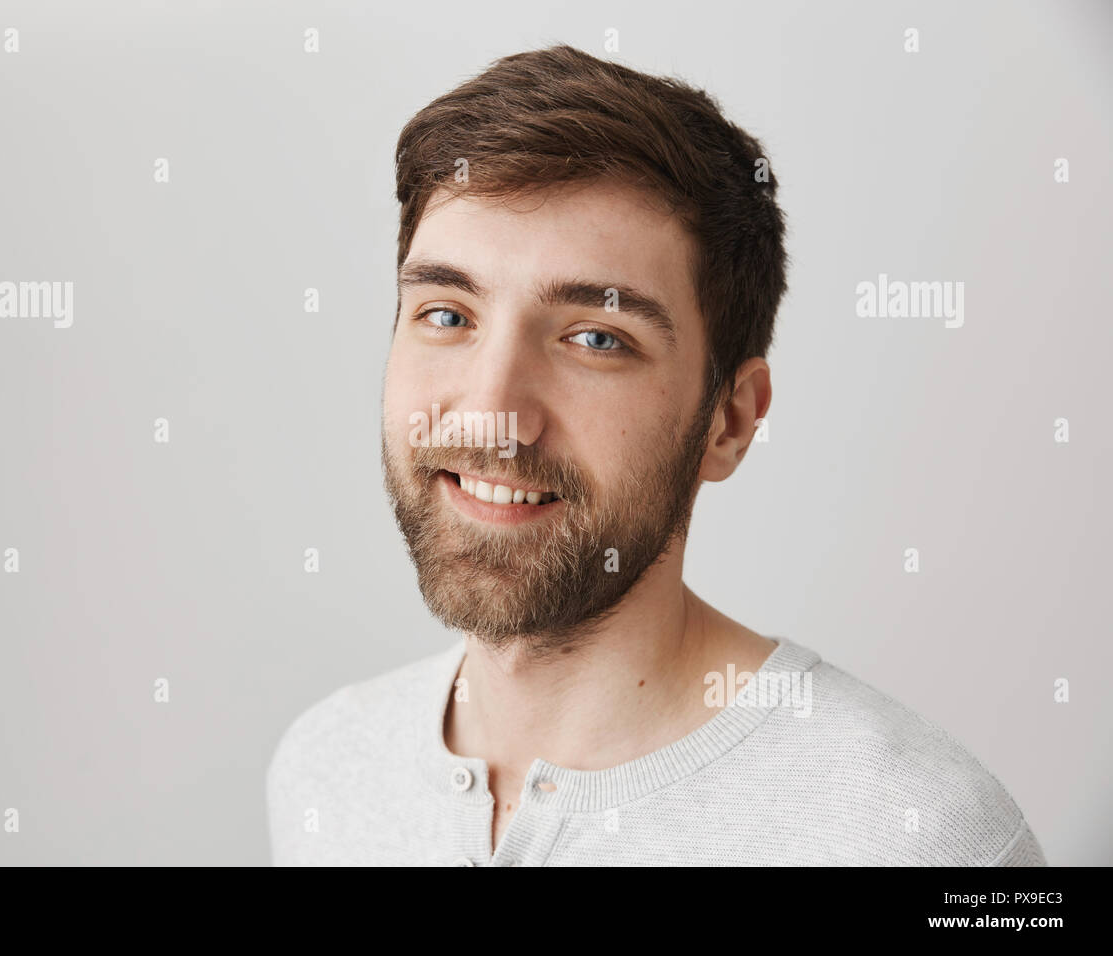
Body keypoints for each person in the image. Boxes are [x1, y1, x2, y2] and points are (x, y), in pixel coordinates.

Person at [266, 44, 1045, 867]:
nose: (494, 415)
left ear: (730, 423)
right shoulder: (323, 770)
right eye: (448, 314)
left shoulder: (917, 834)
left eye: (596, 338)